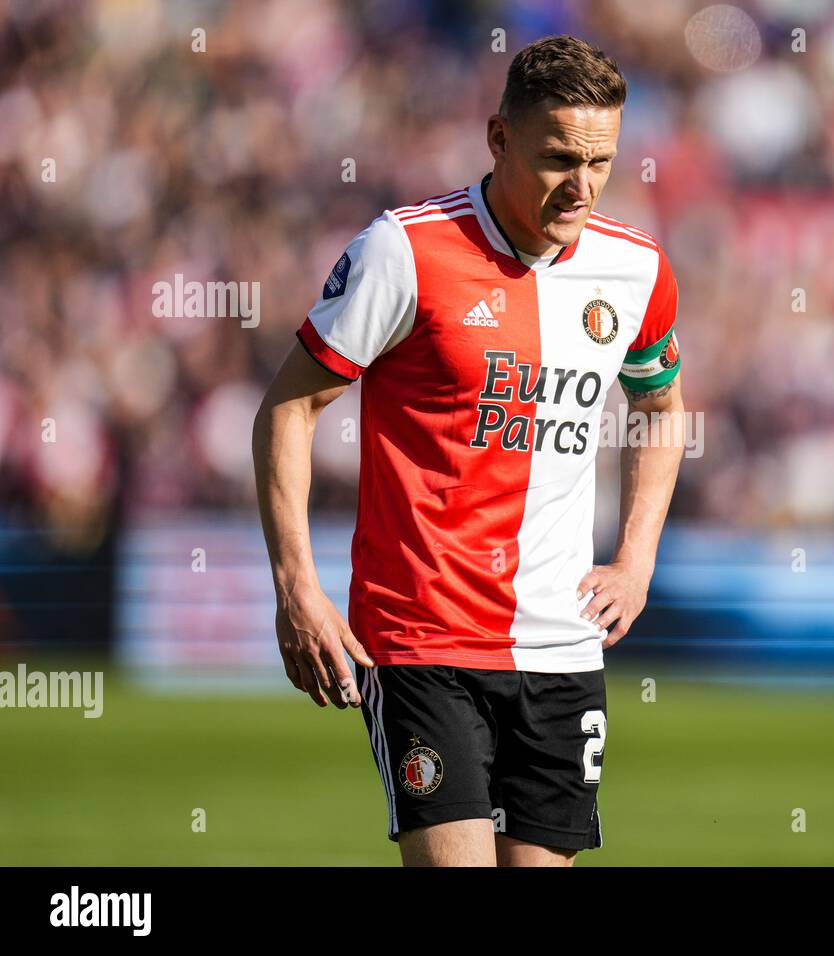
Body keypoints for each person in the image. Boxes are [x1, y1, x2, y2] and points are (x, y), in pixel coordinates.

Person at [251, 34, 686, 866]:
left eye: (601, 161)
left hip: (563, 639)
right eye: (560, 156)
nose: (583, 184)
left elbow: (660, 408)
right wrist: (296, 587)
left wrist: (635, 560)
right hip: (425, 635)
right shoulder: (404, 251)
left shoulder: (635, 269)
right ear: (499, 139)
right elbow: (289, 407)